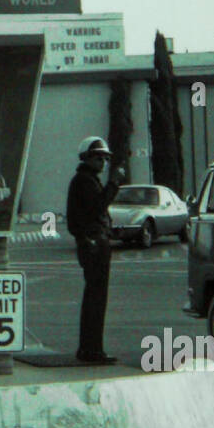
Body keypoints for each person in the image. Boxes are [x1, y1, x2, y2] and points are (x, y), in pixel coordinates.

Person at [65, 136, 125, 365]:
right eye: (98, 158)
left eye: (104, 158)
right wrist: (114, 184)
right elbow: (97, 206)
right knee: (96, 299)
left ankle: (89, 348)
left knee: (95, 297)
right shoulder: (84, 181)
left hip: (94, 241)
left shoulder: (86, 180)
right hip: (93, 245)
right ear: (87, 158)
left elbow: (93, 212)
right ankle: (92, 350)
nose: (102, 162)